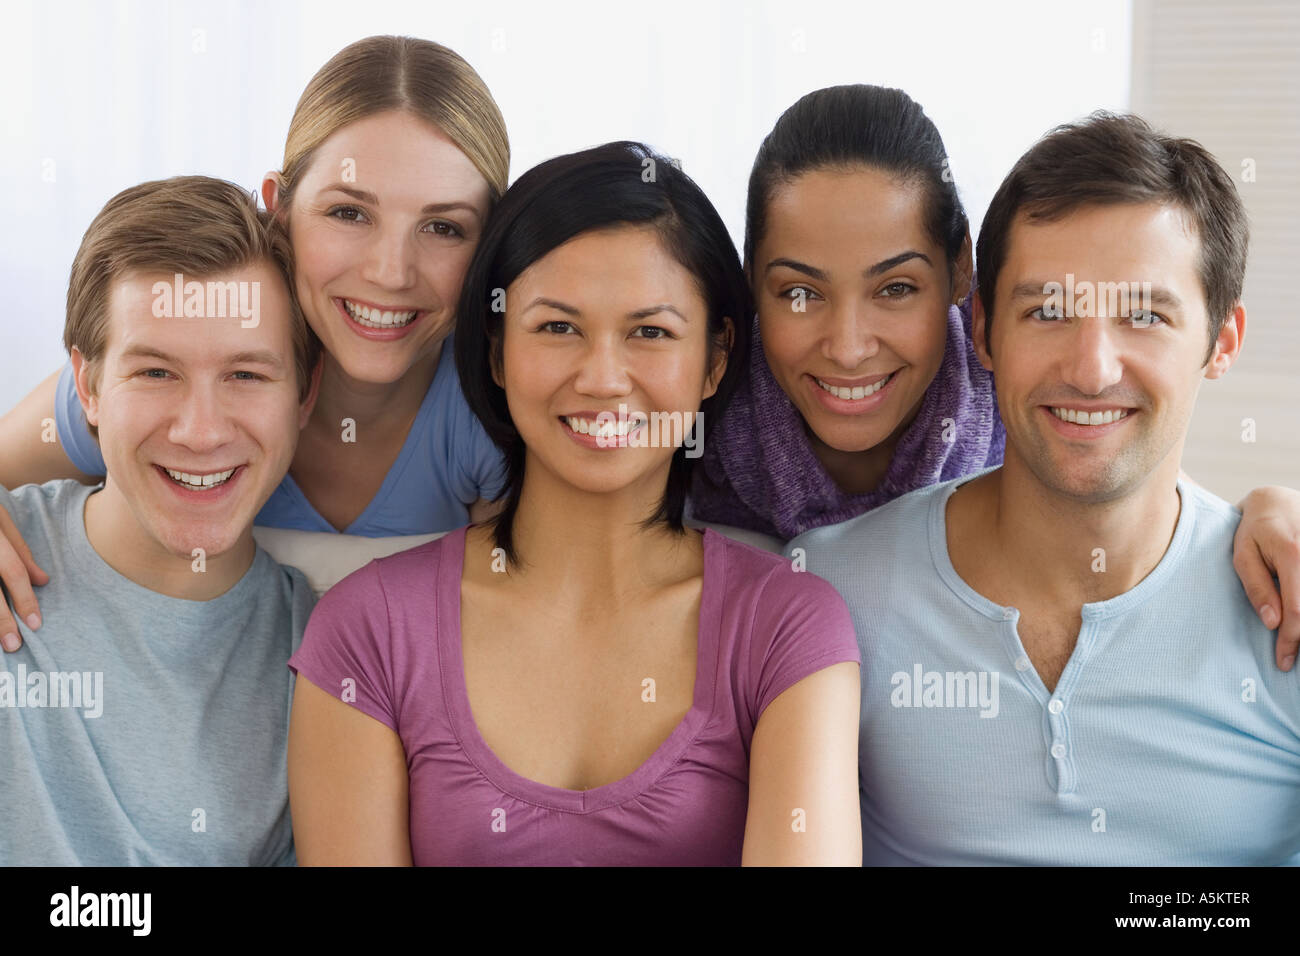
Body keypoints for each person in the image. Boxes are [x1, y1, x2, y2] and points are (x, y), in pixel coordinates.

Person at [286, 142, 862, 866]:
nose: (602, 378)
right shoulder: (367, 633)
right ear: (496, 353)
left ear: (715, 360)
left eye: (650, 333)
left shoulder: (787, 627)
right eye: (557, 327)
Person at [788, 112, 1300, 865]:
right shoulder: (828, 590)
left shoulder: (1286, 607)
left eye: (1145, 315)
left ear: (1221, 341)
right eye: (1048, 312)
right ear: (985, 332)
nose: (1091, 370)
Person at [689, 84, 1300, 671]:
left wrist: (1256, 512)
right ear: (749, 288)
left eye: (896, 288)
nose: (849, 349)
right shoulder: (704, 393)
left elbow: (1117, 437)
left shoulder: (1008, 374)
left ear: (962, 275)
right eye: (800, 291)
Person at [0, 35, 512, 648]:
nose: (390, 272)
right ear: (278, 209)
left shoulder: (492, 406)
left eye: (443, 227)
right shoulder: (178, 363)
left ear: (490, 247)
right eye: (350, 213)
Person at [0, 177, 319, 865]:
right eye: (155, 373)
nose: (200, 433)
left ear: (305, 395)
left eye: (246, 376)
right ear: (86, 387)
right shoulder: (7, 549)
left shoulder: (326, 656)